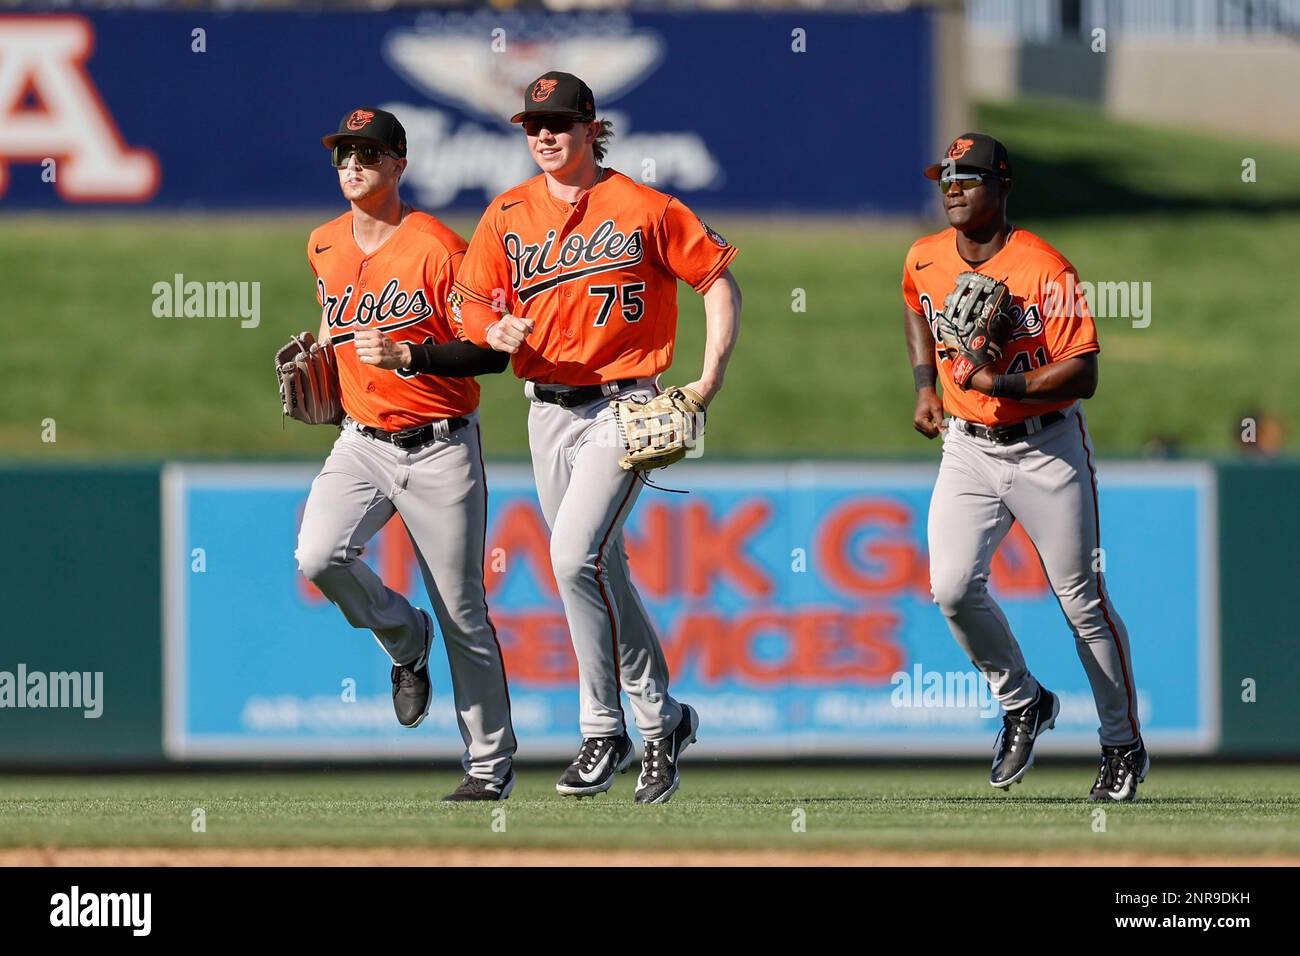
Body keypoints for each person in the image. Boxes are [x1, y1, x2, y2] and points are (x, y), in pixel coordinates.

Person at [451, 72, 742, 804]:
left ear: (591, 127)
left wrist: (705, 383)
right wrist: (493, 329)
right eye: (531, 125)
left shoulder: (645, 207)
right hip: (544, 409)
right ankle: (664, 721)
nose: (543, 136)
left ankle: (602, 729)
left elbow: (717, 282)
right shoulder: (507, 213)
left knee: (571, 555)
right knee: (602, 571)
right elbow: (468, 308)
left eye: (558, 123)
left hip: (624, 405)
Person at [901, 133, 1149, 801]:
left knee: (1083, 605)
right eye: (946, 177)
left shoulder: (1045, 267)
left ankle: (1121, 744)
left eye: (969, 177)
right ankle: (1023, 700)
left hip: (1047, 447)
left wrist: (997, 383)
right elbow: (918, 311)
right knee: (951, 588)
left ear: (1003, 184)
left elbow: (1085, 373)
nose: (953, 187)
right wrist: (927, 385)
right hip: (967, 447)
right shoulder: (925, 257)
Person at [295, 106, 517, 801]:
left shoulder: (438, 247)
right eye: (343, 154)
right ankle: (403, 639)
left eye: (368, 153)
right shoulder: (323, 244)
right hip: (359, 442)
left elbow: (488, 353)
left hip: (440, 448)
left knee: (463, 612)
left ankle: (488, 767)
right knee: (318, 556)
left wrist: (409, 356)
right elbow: (340, 323)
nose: (352, 165)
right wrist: (322, 356)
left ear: (399, 164)